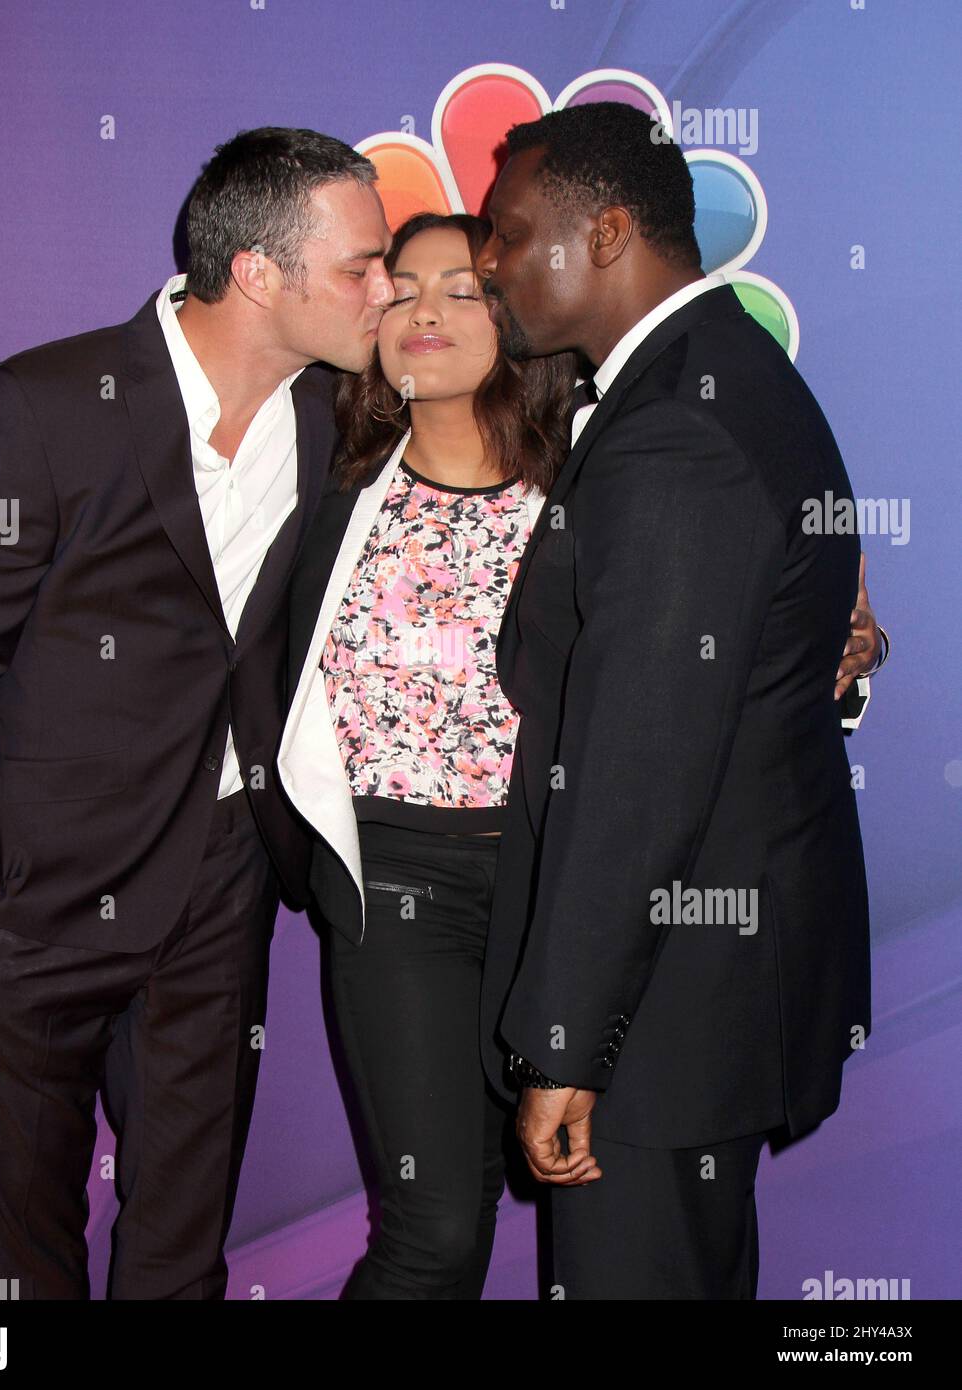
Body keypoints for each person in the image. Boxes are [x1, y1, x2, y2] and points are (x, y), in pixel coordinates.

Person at [277, 208, 885, 1299]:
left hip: (560, 886)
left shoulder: (599, 475)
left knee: (613, 1217)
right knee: (434, 1236)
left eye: (463, 287)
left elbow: (709, 675)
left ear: (513, 317)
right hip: (399, 897)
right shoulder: (324, 491)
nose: (424, 309)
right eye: (401, 287)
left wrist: (835, 650)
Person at [0, 127, 393, 1299]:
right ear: (259, 273)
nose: (388, 290)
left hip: (218, 877)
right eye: (361, 266)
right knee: (26, 1249)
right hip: (38, 890)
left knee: (180, 1243)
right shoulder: (40, 404)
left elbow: (529, 405)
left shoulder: (333, 415)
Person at [474, 101, 874, 1299]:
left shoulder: (674, 434)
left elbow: (634, 775)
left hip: (664, 1012)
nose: (487, 263)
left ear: (602, 235)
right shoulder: (720, 378)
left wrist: (565, 1041)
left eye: (507, 234)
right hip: (700, 981)